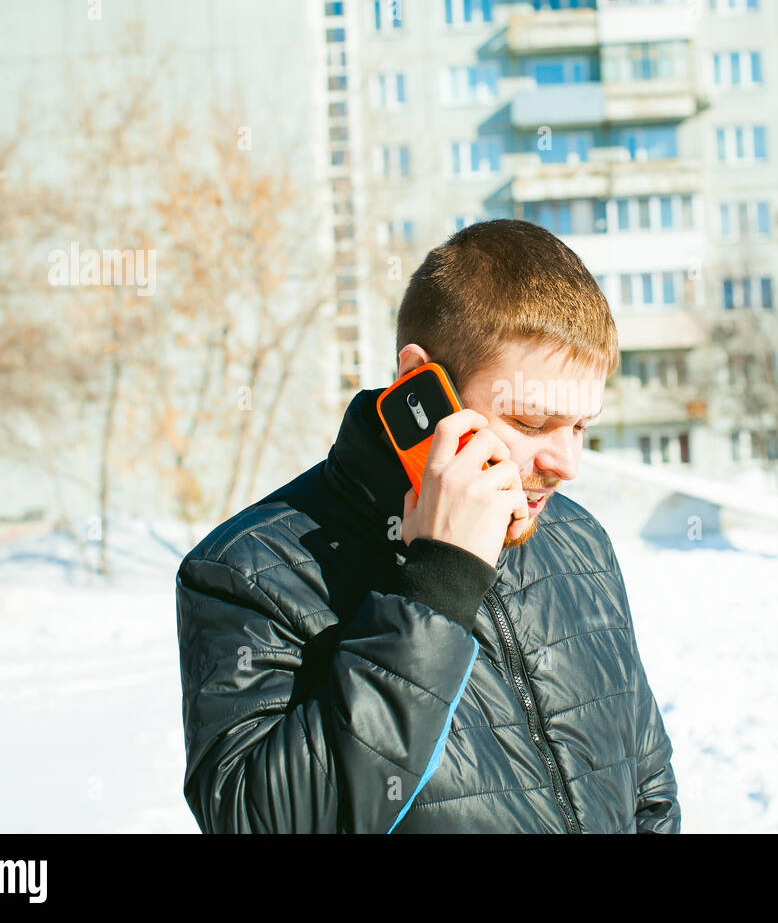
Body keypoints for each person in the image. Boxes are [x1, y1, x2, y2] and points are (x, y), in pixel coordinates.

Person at [175, 219, 679, 833]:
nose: (566, 464)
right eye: (530, 421)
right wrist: (437, 586)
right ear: (421, 384)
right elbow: (264, 824)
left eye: (580, 426)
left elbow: (649, 793)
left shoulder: (579, 542)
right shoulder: (247, 571)